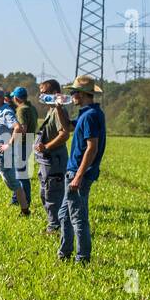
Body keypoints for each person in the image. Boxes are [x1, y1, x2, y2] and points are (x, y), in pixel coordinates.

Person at [59, 75, 104, 264]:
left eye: (74, 92)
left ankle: (82, 259)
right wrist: (58, 108)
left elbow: (92, 147)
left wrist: (78, 175)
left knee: (77, 218)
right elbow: (67, 127)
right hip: (75, 172)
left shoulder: (91, 116)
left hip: (79, 174)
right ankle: (64, 254)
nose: (72, 96)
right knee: (64, 215)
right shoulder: (88, 113)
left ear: (83, 94)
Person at [33, 78, 72, 234]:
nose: (41, 96)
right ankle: (54, 224)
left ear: (55, 93)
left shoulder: (58, 111)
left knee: (52, 193)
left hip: (54, 160)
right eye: (41, 93)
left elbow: (64, 135)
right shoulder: (51, 110)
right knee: (45, 192)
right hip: (47, 160)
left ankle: (55, 227)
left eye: (45, 93)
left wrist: (46, 146)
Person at [0, 87, 28, 215]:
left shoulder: (7, 112)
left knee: (14, 184)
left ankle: (25, 211)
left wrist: (8, 145)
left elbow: (18, 128)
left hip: (3, 156)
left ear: (1, 98)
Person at [7, 85, 37, 213]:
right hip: (30, 141)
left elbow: (22, 128)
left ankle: (25, 201)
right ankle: (17, 199)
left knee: (21, 175)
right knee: (21, 173)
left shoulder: (21, 110)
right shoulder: (32, 108)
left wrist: (12, 142)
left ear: (16, 98)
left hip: (22, 144)